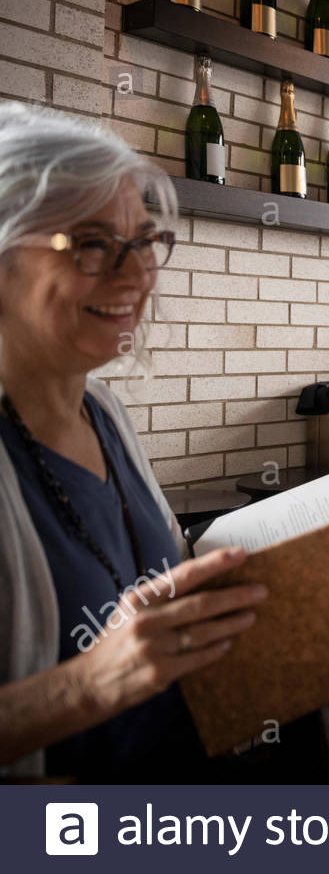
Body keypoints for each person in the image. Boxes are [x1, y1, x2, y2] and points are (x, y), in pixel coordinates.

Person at [0, 104, 268, 780]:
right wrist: (88, 684)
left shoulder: (106, 414)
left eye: (145, 242)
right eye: (91, 244)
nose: (133, 275)